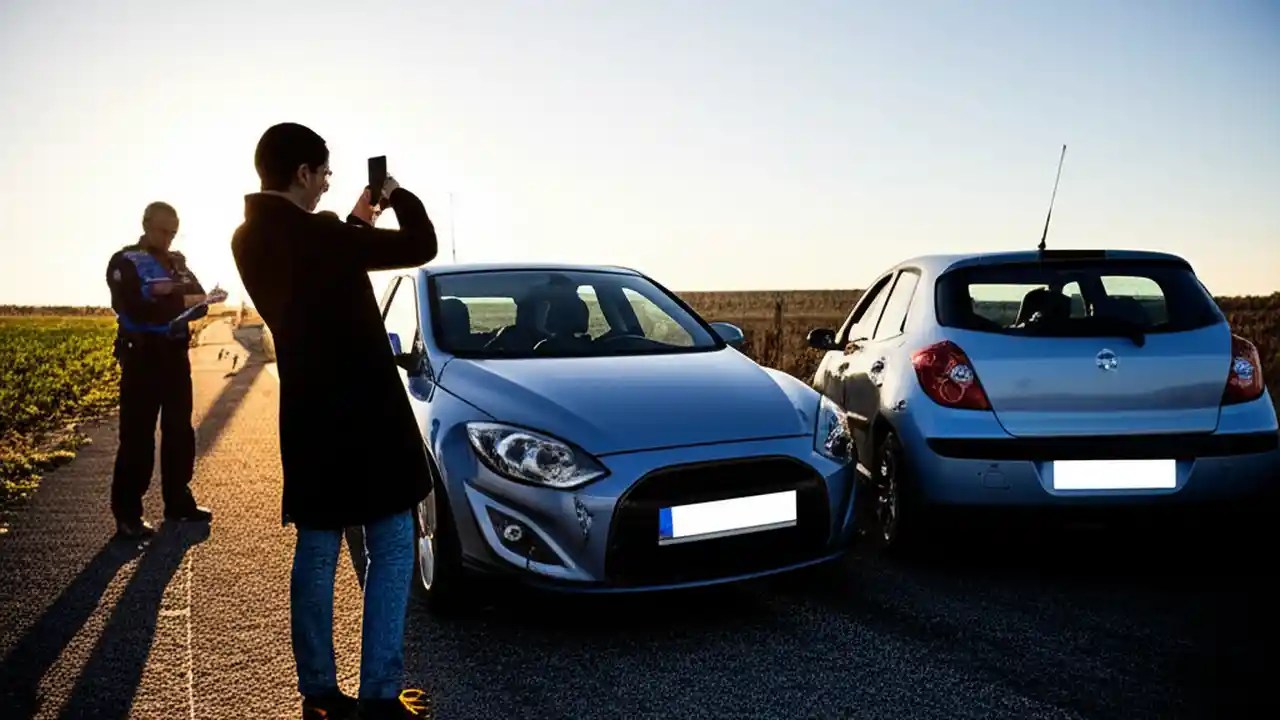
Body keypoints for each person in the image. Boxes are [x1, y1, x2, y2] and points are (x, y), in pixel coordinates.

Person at [230, 122, 437, 720]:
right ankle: (378, 695)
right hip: (367, 414)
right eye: (323, 174)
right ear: (301, 173)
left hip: (308, 414)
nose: (325, 185)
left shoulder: (248, 237)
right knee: (393, 543)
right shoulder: (324, 236)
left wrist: (353, 225)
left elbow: (324, 269)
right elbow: (419, 244)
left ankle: (318, 694)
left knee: (318, 547)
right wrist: (395, 196)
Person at [105, 201, 221, 540]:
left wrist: (168, 295)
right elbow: (134, 306)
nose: (168, 238)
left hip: (174, 357)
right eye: (162, 231)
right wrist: (176, 299)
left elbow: (199, 299)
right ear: (145, 224)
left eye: (173, 232)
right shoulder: (125, 261)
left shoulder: (178, 262)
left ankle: (178, 502)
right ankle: (128, 514)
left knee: (179, 432)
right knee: (137, 437)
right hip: (141, 358)